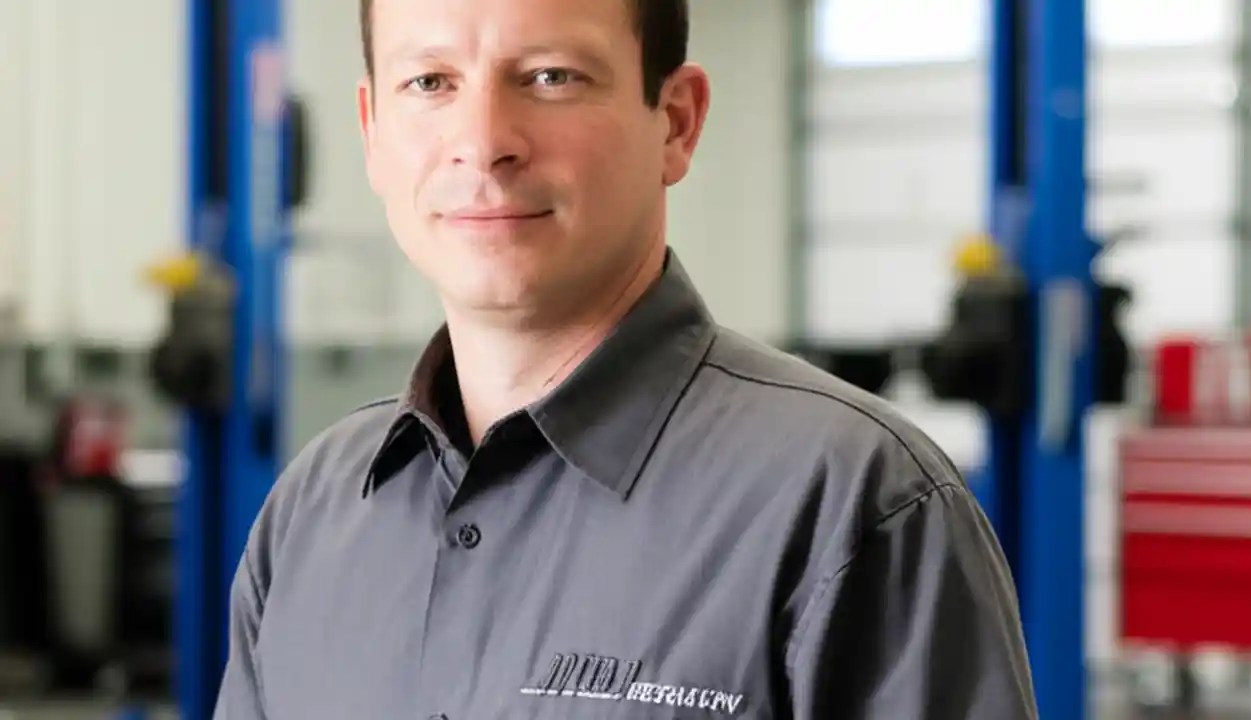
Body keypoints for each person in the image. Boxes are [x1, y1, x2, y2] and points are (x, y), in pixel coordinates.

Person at [213, 0, 1039, 717]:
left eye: (549, 76)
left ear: (676, 121)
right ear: (372, 133)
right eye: (430, 83)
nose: (483, 142)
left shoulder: (849, 503)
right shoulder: (310, 519)